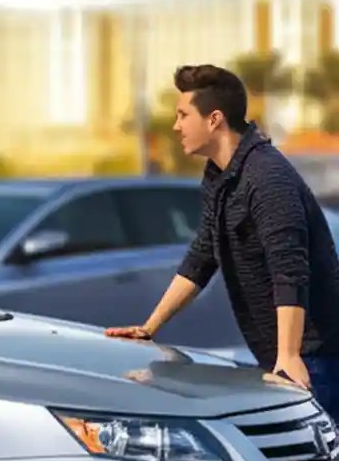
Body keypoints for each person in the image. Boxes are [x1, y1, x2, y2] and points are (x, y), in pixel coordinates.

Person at [105, 64, 339, 416]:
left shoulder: (266, 177)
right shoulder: (220, 176)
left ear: (214, 119)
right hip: (285, 356)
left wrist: (288, 354)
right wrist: (149, 327)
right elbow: (202, 258)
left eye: (183, 115)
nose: (176, 126)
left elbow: (289, 268)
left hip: (315, 358)